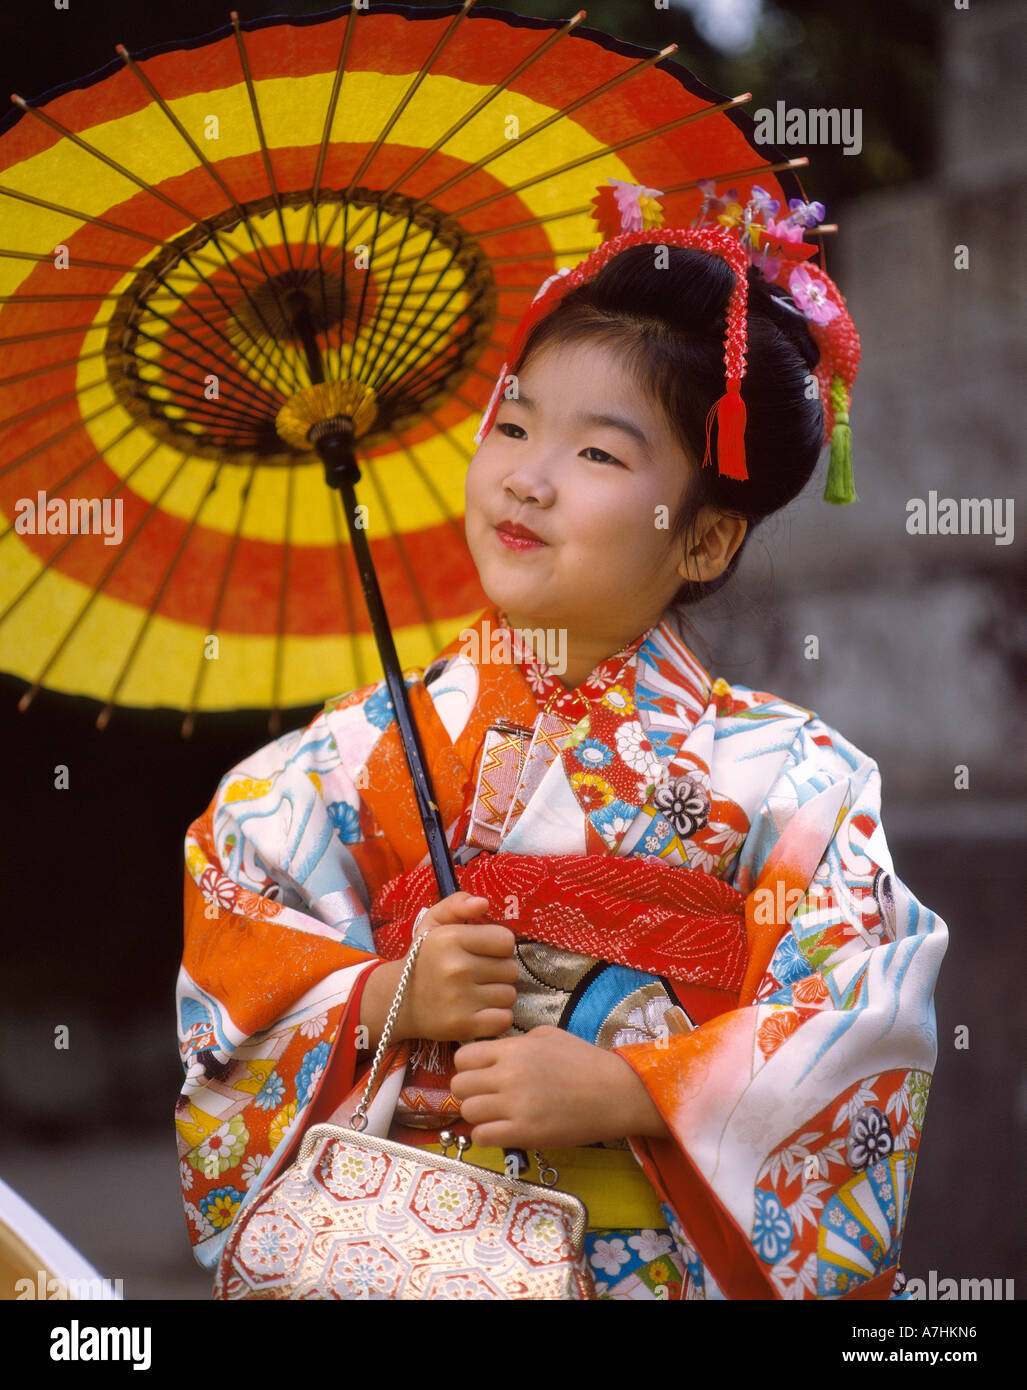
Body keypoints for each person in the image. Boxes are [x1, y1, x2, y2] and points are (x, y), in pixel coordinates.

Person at [176, 183, 947, 1300]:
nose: (526, 474)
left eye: (597, 455)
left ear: (707, 534)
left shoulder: (797, 781)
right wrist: (389, 994)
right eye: (517, 422)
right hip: (406, 1252)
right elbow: (233, 948)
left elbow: (861, 1024)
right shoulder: (347, 758)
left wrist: (635, 1088)